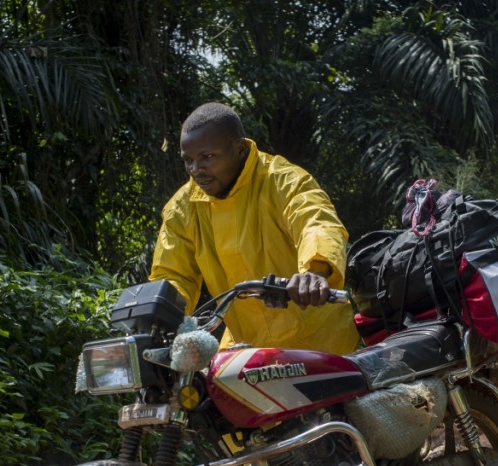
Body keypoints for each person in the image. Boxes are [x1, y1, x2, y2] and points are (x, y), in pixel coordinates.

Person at [150, 102, 359, 354]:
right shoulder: (182, 209)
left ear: (238, 149)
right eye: (188, 160)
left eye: (207, 157)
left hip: (319, 348)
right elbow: (173, 276)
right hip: (246, 353)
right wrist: (156, 314)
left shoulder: (283, 180)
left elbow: (316, 222)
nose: (196, 170)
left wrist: (314, 271)